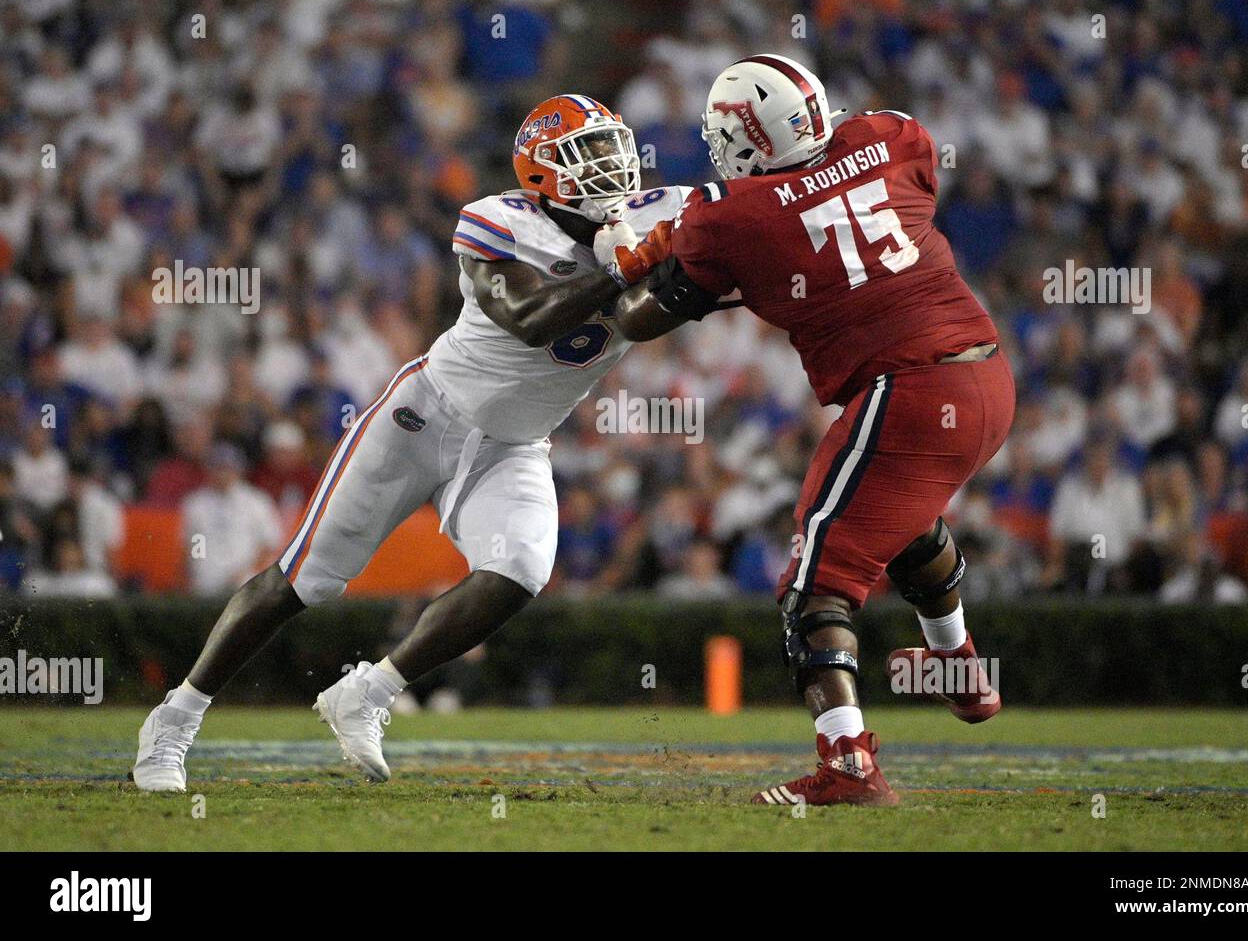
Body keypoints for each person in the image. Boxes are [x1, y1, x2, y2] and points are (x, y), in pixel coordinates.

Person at [133, 94, 688, 792]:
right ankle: (175, 718)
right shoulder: (497, 219)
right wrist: (621, 267)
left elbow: (649, 311)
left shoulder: (648, 220)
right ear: (541, 173)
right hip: (424, 417)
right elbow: (528, 317)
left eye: (615, 150)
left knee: (520, 568)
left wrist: (681, 278)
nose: (612, 168)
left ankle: (367, 692)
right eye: (590, 156)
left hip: (514, 444)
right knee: (305, 580)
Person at [607, 54, 1015, 805]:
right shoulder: (892, 137)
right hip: (986, 375)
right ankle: (960, 670)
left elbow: (643, 318)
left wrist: (631, 262)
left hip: (911, 388)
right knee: (902, 525)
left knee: (812, 587)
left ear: (751, 137)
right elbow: (872, 217)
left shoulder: (729, 217)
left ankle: (849, 765)